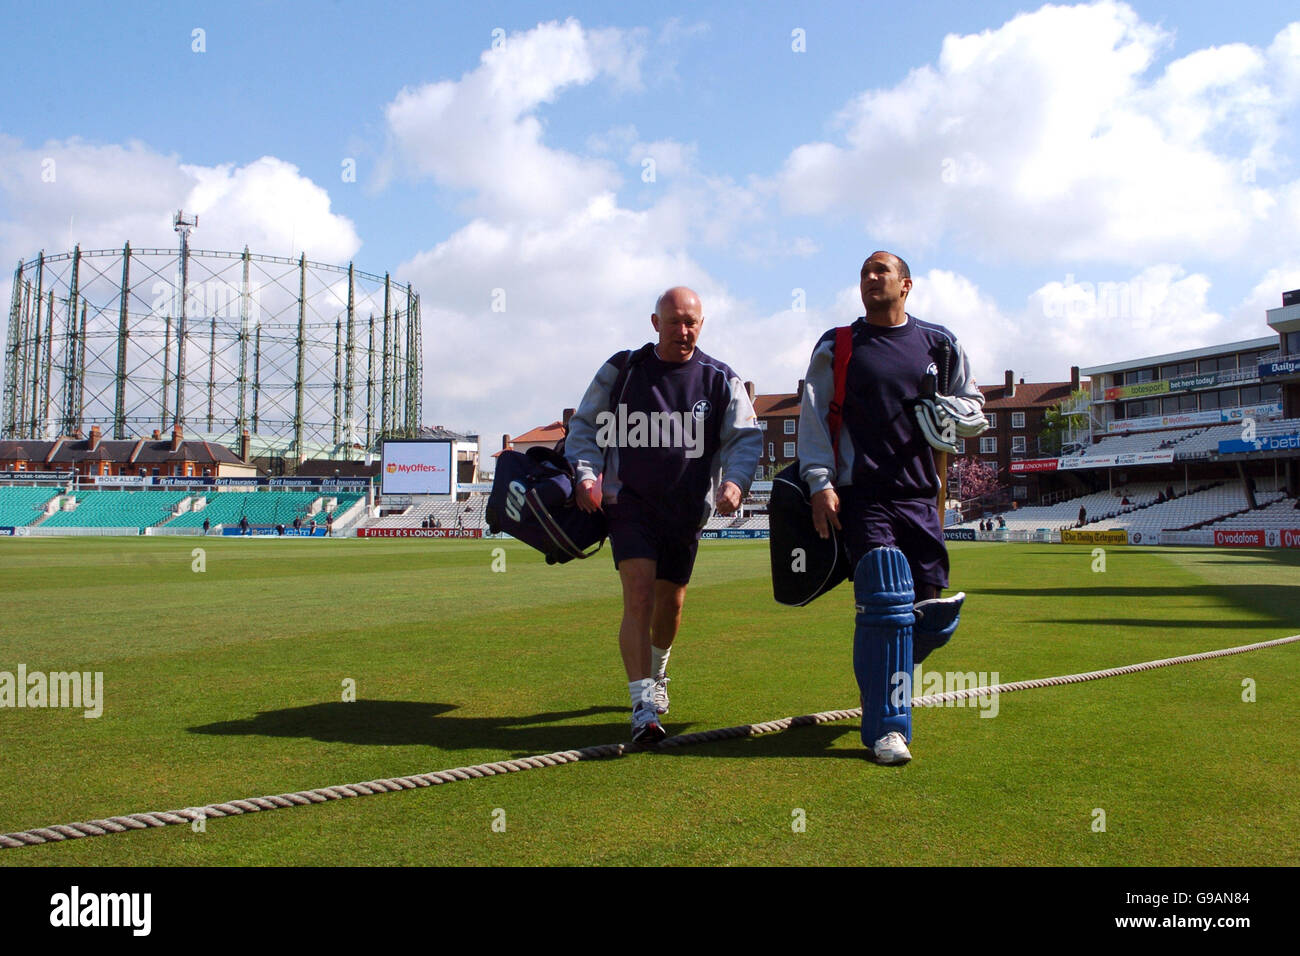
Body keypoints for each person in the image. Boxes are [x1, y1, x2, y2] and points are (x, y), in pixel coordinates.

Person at [799, 251, 986, 765]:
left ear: (906, 285)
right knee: (885, 594)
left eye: (881, 271)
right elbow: (813, 415)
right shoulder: (839, 345)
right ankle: (888, 730)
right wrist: (819, 482)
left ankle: (883, 677)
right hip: (864, 494)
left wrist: (962, 414)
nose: (871, 278)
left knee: (928, 615)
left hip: (924, 496)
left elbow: (973, 403)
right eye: (863, 272)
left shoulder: (939, 344)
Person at [566, 286, 763, 743]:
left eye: (691, 321)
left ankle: (657, 677)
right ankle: (641, 707)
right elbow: (584, 427)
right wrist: (587, 475)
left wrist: (735, 482)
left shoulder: (719, 379)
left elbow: (746, 438)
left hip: (686, 511)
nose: (683, 330)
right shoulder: (623, 371)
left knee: (670, 604)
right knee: (638, 594)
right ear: (656, 324)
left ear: (702, 323)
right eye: (674, 322)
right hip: (629, 504)